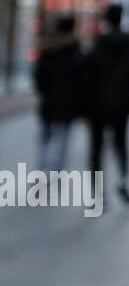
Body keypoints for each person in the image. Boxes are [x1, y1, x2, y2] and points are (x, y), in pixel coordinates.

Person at [85, 4, 129, 205]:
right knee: (121, 144)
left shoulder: (98, 45)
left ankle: (97, 193)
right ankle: (123, 182)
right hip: (122, 105)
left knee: (97, 147)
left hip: (97, 105)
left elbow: (88, 77)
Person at [33, 14, 84, 172]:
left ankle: (43, 169)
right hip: (67, 104)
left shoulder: (47, 50)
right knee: (63, 139)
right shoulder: (76, 53)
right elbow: (81, 81)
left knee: (46, 137)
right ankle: (57, 171)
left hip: (49, 101)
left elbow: (39, 76)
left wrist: (43, 91)